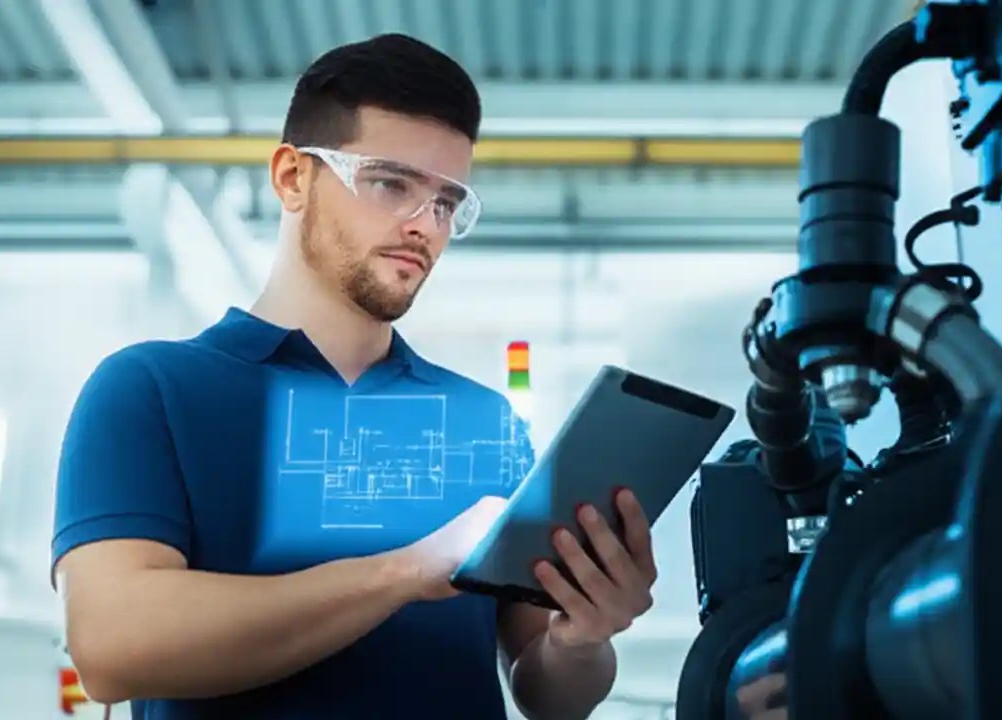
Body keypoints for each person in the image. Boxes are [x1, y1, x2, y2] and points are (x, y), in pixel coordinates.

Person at [51, 33, 659, 720]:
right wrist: (404, 573)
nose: (424, 226)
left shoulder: (487, 425)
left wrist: (583, 638)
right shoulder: (150, 390)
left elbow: (545, 692)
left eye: (446, 202)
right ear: (293, 178)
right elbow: (109, 645)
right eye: (390, 182)